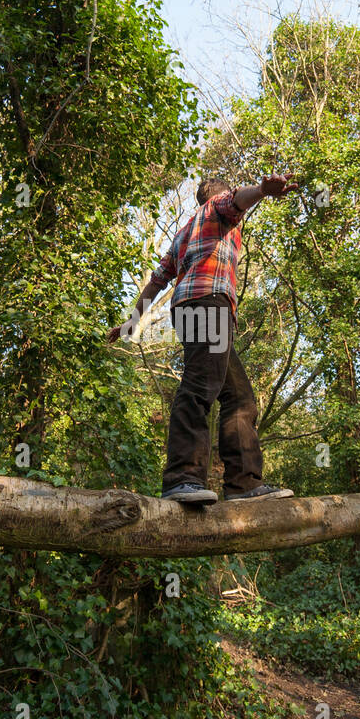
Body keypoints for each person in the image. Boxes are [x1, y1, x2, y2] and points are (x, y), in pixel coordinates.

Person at [109, 173, 300, 504]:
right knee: (200, 386)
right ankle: (182, 478)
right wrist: (263, 191)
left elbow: (158, 280)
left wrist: (133, 320)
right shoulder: (216, 208)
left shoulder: (183, 234)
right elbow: (236, 199)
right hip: (208, 303)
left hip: (190, 309)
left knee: (239, 396)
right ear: (218, 196)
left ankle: (244, 485)